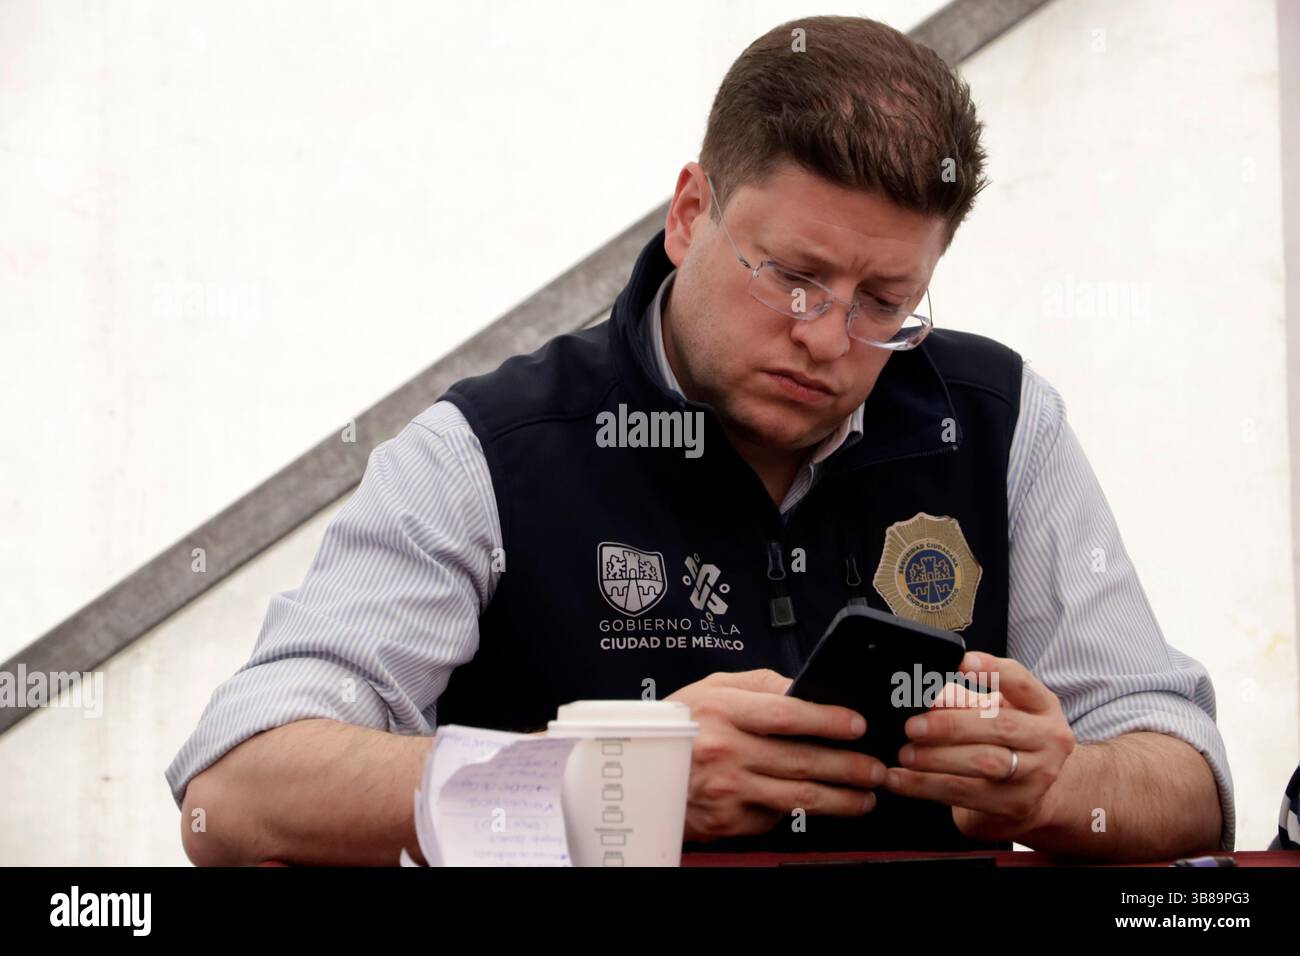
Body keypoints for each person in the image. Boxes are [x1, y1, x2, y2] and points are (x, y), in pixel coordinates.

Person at [167, 14, 1231, 865]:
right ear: (689, 212)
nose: (825, 335)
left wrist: (1059, 786)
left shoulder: (999, 420)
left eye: (884, 299)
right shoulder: (488, 452)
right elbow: (237, 787)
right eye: (792, 275)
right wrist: (604, 784)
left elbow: (1190, 780)